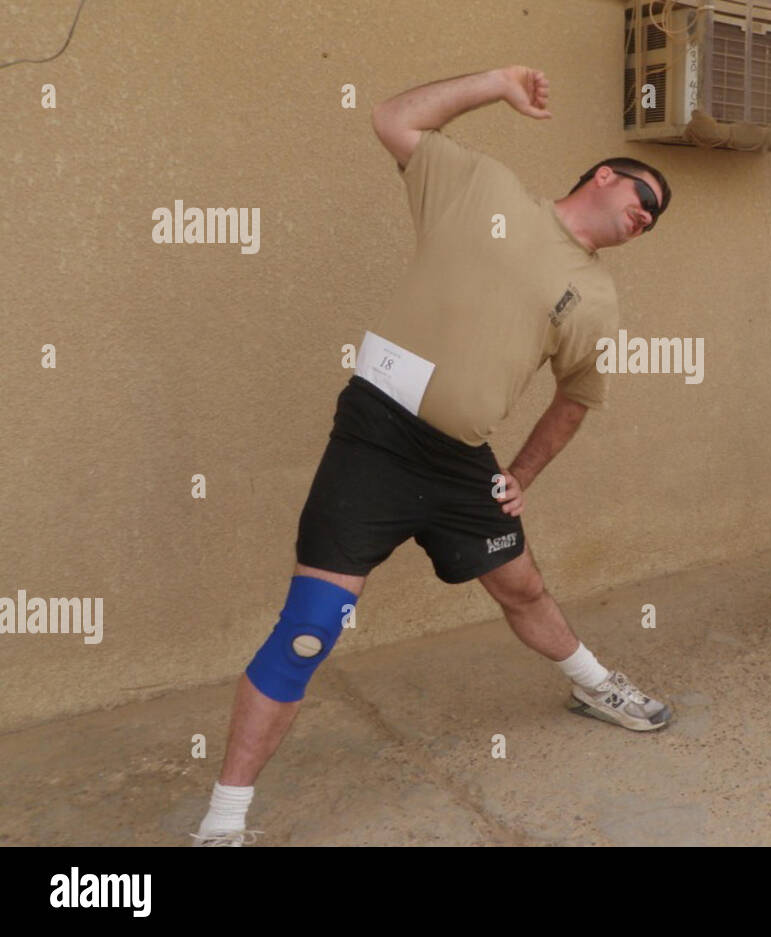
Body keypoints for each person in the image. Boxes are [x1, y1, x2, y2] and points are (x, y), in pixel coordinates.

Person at [193, 65, 673, 846]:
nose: (648, 219)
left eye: (656, 221)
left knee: (522, 586)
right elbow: (393, 118)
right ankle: (223, 821)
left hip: (461, 461)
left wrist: (519, 476)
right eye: (645, 202)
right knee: (311, 627)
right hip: (376, 438)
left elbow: (577, 398)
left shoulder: (597, 298)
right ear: (607, 176)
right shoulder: (484, 188)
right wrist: (493, 83)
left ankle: (593, 683)